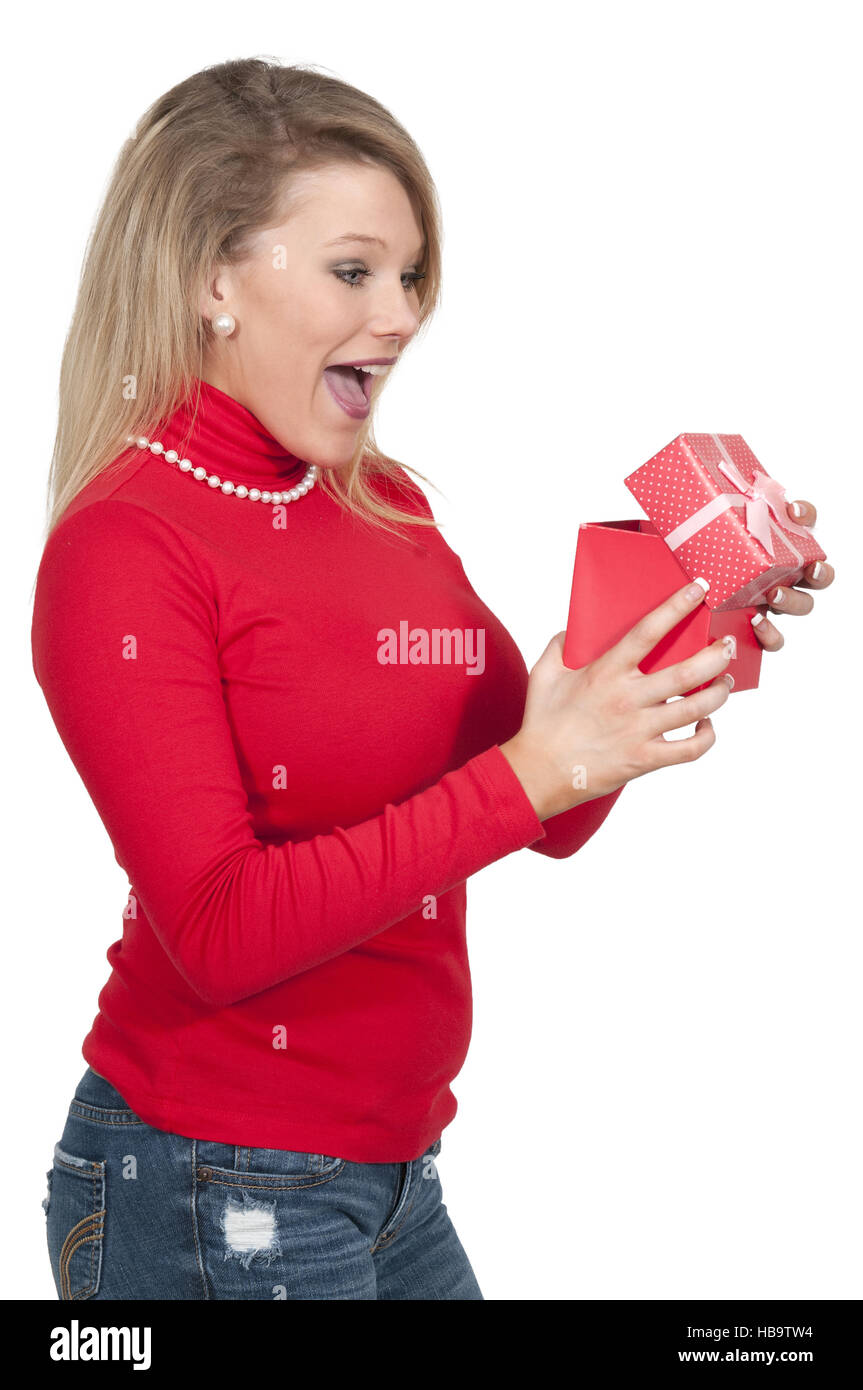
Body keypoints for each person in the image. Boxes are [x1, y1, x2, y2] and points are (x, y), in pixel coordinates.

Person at [30, 57, 831, 1302]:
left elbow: (537, 804)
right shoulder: (124, 549)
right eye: (354, 271)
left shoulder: (382, 500)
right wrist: (532, 766)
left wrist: (677, 636)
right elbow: (221, 931)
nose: (401, 314)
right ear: (210, 278)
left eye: (409, 275)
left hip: (394, 1176)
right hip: (211, 1185)